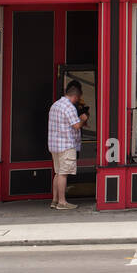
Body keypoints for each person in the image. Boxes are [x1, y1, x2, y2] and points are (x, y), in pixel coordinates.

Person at [47, 81, 87, 210]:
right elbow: (76, 126)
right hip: (66, 144)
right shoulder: (69, 107)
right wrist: (83, 119)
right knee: (63, 174)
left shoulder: (55, 105)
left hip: (54, 145)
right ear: (75, 97)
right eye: (78, 98)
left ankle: (54, 201)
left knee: (58, 173)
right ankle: (62, 202)